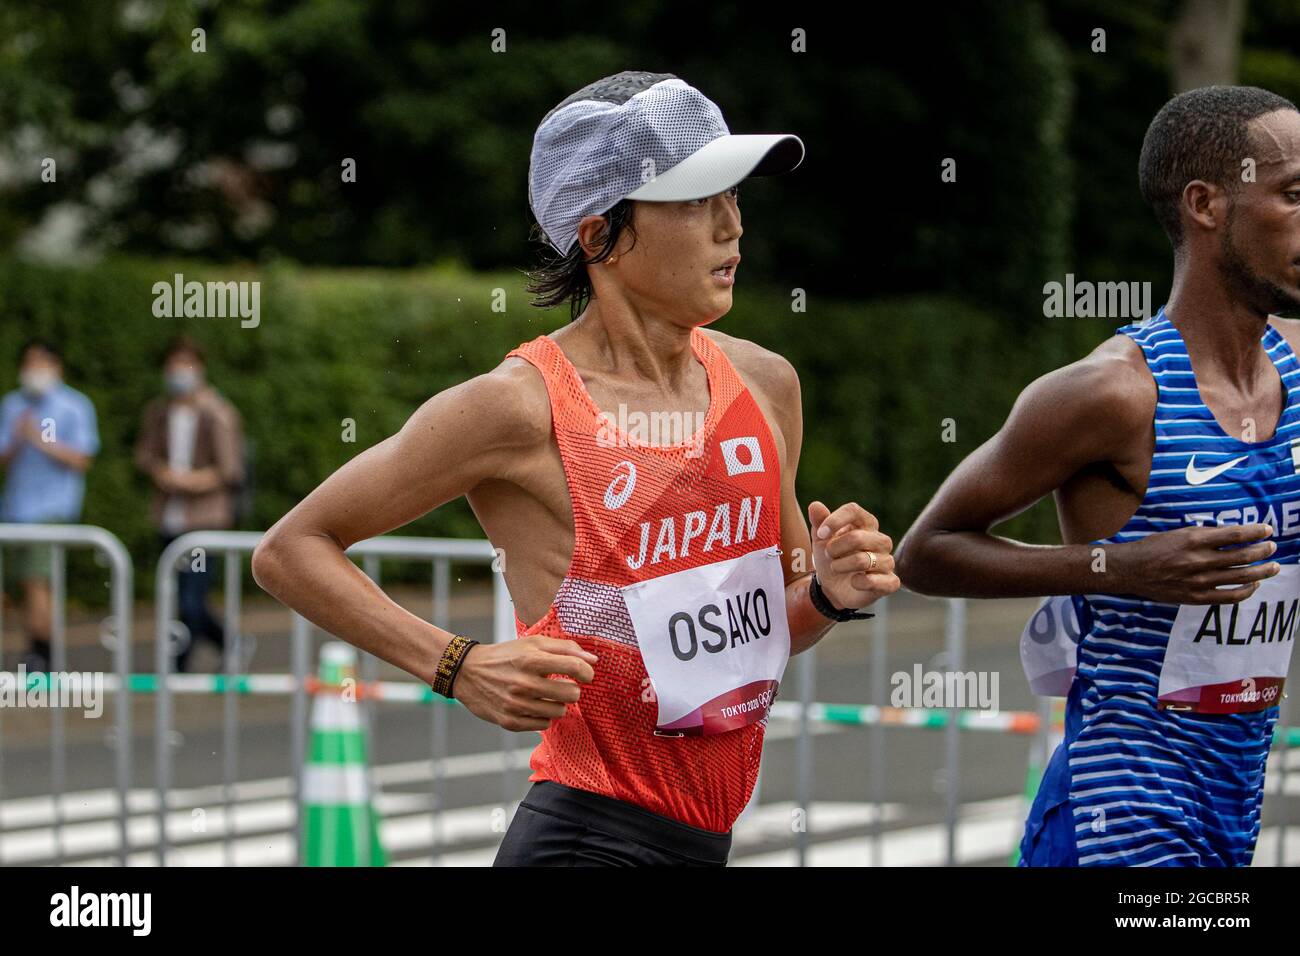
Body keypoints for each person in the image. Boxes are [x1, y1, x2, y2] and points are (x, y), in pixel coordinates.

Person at [252, 70, 899, 866]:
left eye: (734, 195)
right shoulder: (518, 407)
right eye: (697, 200)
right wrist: (456, 664)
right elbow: (290, 548)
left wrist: (831, 590)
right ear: (598, 237)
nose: (733, 227)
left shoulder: (767, 384)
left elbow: (771, 632)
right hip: (587, 838)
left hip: (704, 843)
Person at [897, 86, 1300, 867]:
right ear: (1205, 205)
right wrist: (1120, 568)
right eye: (1292, 194)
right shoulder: (1111, 392)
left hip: (1232, 805)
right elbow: (927, 549)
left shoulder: (1296, 367)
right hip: (1120, 814)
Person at [135, 335, 245, 673]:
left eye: (186, 364)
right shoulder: (159, 411)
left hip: (204, 520)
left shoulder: (218, 413)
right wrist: (161, 473)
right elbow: (144, 455)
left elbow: (231, 469)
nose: (179, 371)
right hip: (170, 516)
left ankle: (186, 662)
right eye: (174, 364)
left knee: (191, 599)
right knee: (176, 595)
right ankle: (218, 646)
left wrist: (192, 481)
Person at [0, 338, 100, 673]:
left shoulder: (74, 405)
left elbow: (82, 458)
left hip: (52, 510)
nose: (33, 371)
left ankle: (42, 653)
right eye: (28, 363)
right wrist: (17, 439)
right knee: (20, 585)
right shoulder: (12, 404)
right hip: (14, 509)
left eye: (40, 363)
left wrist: (41, 442)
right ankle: (38, 649)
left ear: (55, 366)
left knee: (36, 580)